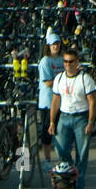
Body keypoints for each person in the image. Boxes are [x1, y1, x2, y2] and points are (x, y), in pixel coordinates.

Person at [49, 46, 96, 189]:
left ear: (77, 62)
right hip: (64, 117)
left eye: (71, 62)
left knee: (82, 155)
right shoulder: (59, 78)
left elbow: (92, 101)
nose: (68, 64)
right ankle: (68, 177)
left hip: (81, 118)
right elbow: (55, 100)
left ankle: (79, 186)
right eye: (65, 61)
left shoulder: (85, 79)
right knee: (61, 151)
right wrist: (52, 121)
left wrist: (90, 122)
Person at [37, 32, 66, 167]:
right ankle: (47, 160)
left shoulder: (62, 59)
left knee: (61, 131)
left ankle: (62, 158)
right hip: (48, 102)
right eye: (53, 44)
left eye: (57, 43)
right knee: (47, 132)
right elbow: (48, 83)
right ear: (48, 46)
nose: (56, 46)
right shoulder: (45, 61)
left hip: (62, 100)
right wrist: (63, 79)